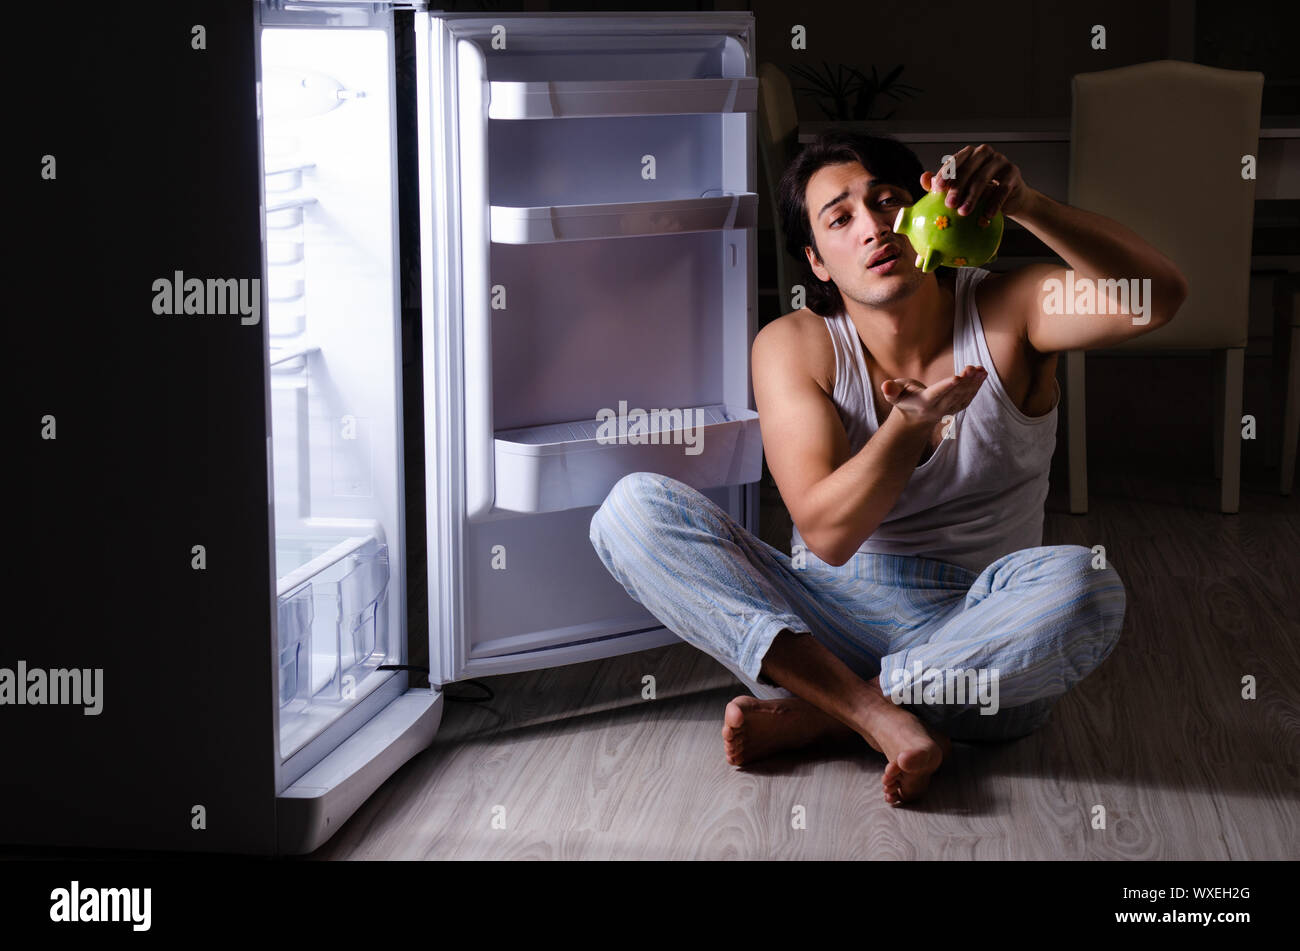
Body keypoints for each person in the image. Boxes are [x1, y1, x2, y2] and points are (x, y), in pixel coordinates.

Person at [588, 130, 1188, 805]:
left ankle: (833, 713)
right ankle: (873, 714)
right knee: (630, 510)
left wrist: (1029, 206)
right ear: (816, 261)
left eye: (888, 201)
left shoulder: (1010, 310)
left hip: (980, 637)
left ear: (929, 211)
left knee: (1089, 585)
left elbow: (1157, 297)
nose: (873, 226)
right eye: (840, 217)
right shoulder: (795, 344)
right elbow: (828, 533)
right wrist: (908, 427)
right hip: (825, 624)